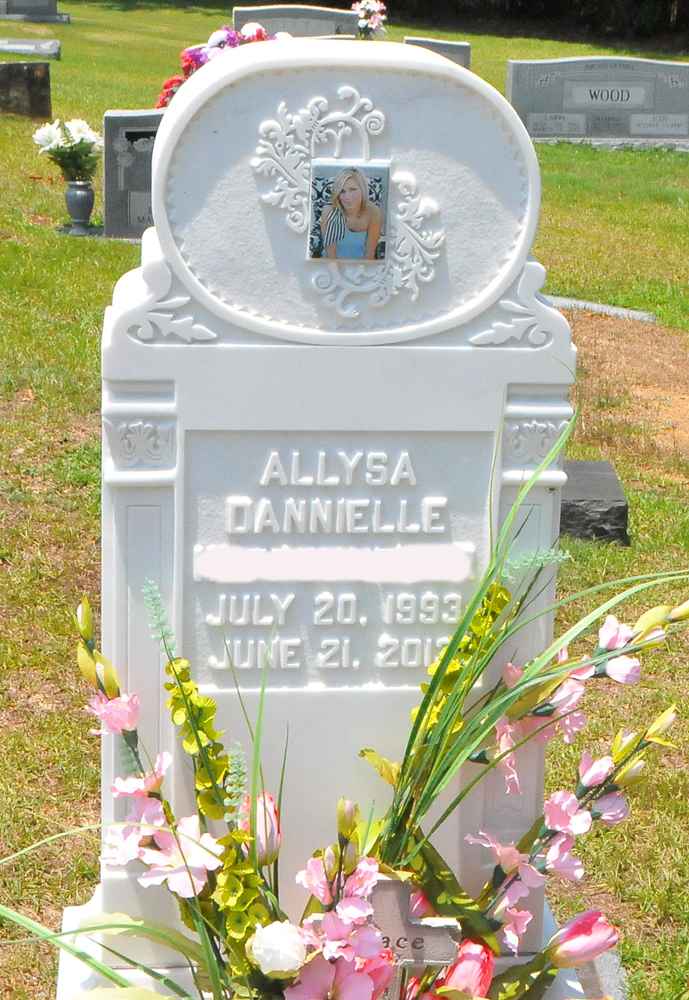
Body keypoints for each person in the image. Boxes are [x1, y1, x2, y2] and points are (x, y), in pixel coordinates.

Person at [320, 168, 382, 260]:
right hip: (332, 267)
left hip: (361, 267)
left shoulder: (373, 212)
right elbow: (331, 256)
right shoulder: (329, 212)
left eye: (353, 189)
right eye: (342, 191)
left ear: (362, 189)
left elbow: (369, 254)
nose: (347, 197)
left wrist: (361, 273)